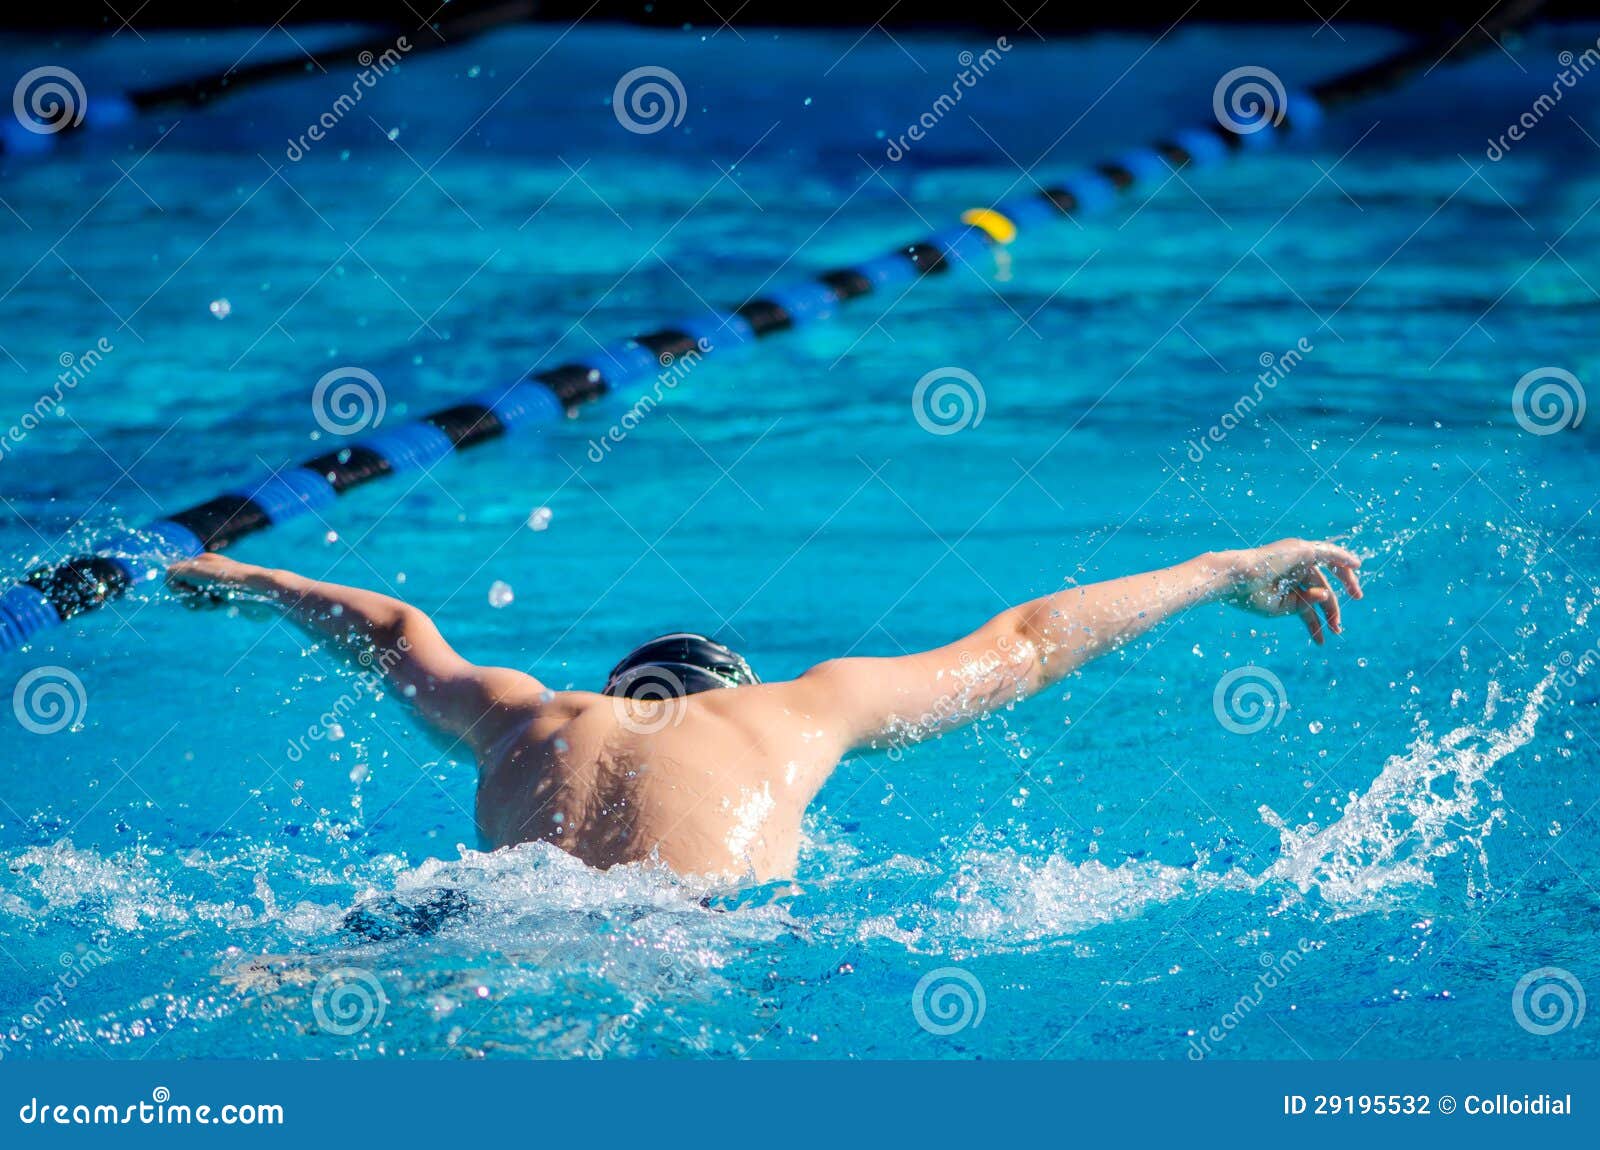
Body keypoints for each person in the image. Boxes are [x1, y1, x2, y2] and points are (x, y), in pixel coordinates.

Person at [169, 537, 1362, 883]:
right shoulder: (794, 713)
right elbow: (1028, 642)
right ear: (729, 688)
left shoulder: (528, 714)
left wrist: (251, 582)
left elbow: (387, 625)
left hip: (470, 921)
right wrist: (1220, 569)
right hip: (679, 948)